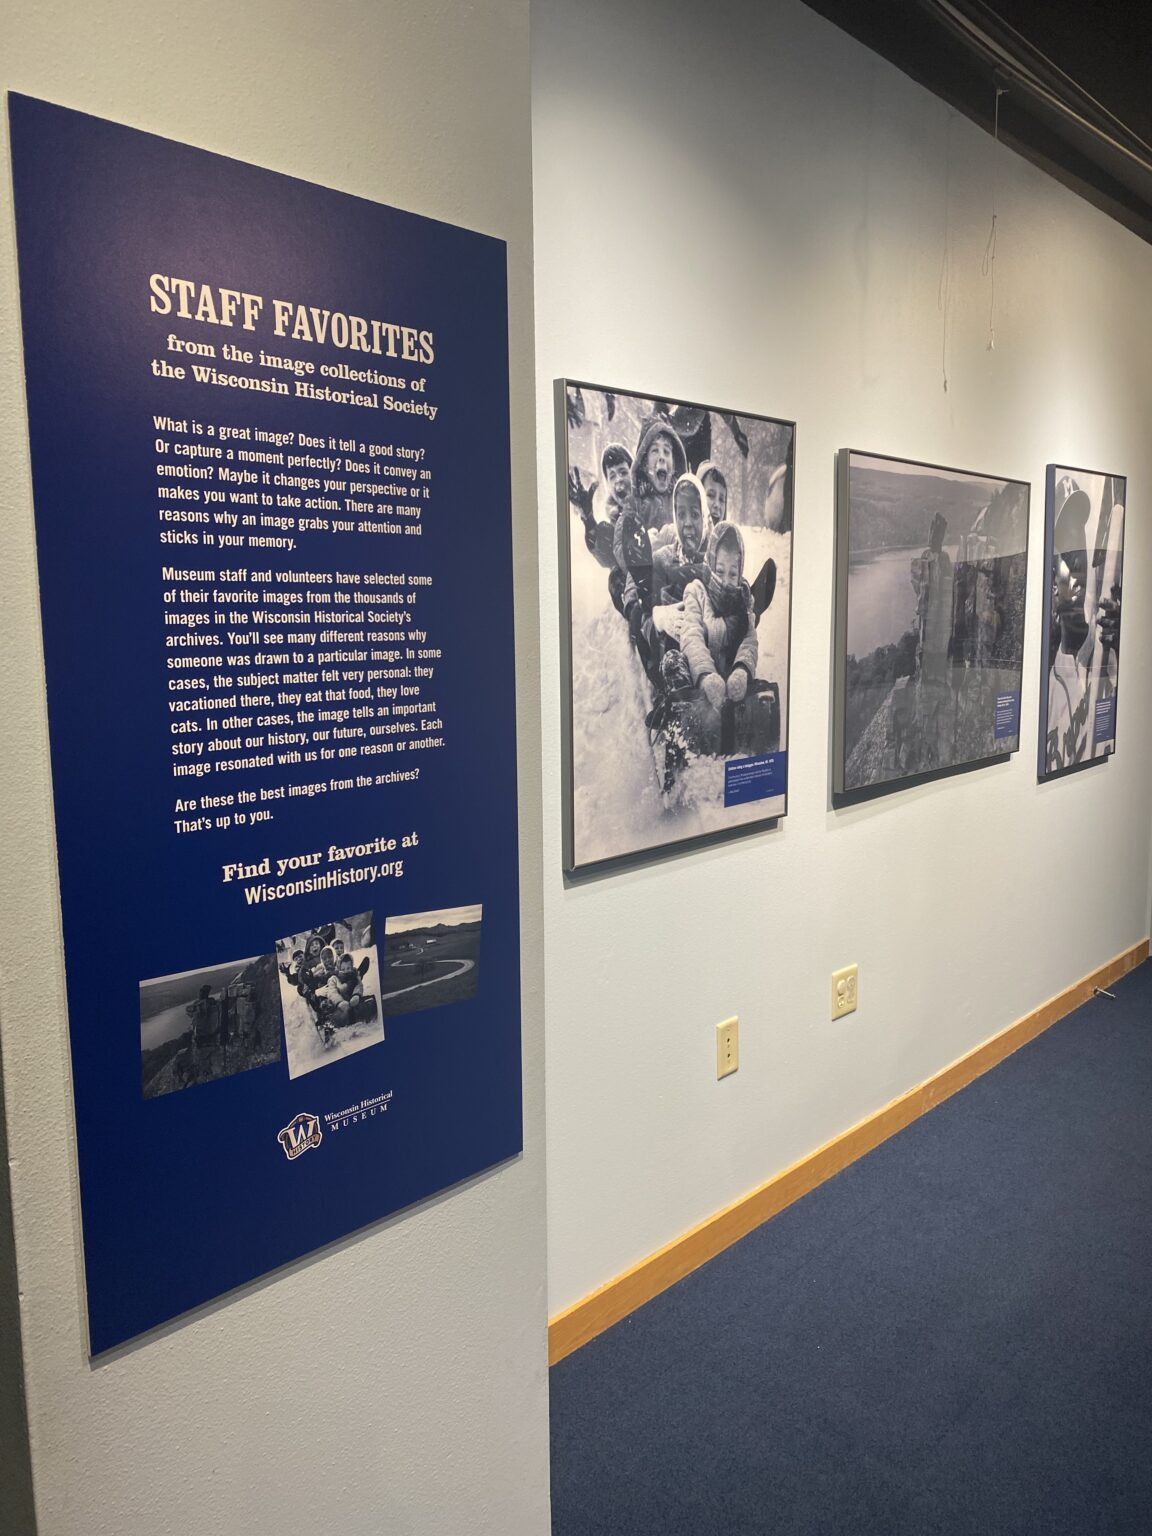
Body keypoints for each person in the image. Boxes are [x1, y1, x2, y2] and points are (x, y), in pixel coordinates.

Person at [1043, 475, 1122, 773]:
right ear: (1051, 583)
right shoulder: (1047, 692)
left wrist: (1119, 647)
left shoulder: (1108, 651)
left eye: (1080, 541)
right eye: (1065, 548)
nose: (1077, 561)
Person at [678, 521, 758, 708]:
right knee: (673, 661)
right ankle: (679, 722)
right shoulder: (696, 592)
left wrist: (741, 670)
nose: (726, 581)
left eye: (732, 574)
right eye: (720, 571)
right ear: (711, 565)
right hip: (697, 678)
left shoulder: (743, 601)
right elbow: (692, 636)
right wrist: (705, 675)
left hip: (729, 680)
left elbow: (749, 641)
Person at [567, 443, 634, 570]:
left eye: (623, 472)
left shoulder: (652, 504)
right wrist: (588, 519)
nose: (618, 479)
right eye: (612, 476)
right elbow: (607, 556)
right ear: (608, 484)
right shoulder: (616, 523)